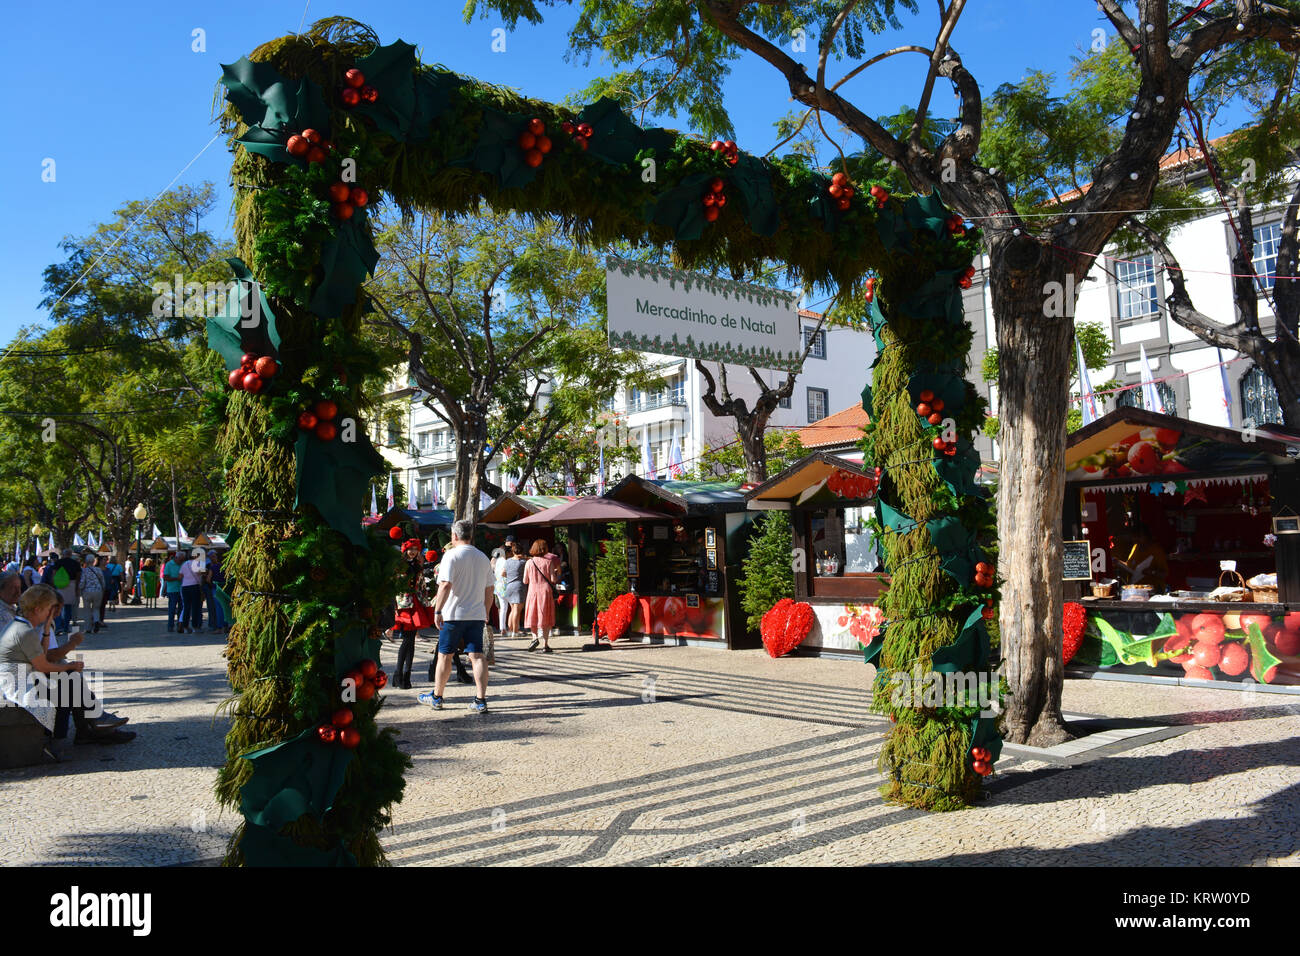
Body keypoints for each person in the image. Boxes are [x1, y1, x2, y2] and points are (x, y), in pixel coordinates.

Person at [0, 584, 134, 746]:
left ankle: (91, 724)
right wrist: (69, 666)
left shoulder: (23, 626)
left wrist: (47, 629)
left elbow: (41, 655)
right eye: (49, 608)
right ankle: (71, 733)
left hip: (21, 678)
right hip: (17, 686)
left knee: (69, 680)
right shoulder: (25, 631)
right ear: (37, 609)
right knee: (69, 683)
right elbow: (43, 665)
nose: (53, 612)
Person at [419, 519, 495, 713]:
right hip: (476, 614)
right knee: (477, 656)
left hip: (453, 614)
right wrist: (486, 611)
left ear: (454, 535)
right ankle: (480, 699)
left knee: (445, 655)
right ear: (471, 535)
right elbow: (489, 590)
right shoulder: (483, 557)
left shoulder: (451, 556)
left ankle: (437, 696)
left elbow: (445, 585)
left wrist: (438, 610)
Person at [391, 539, 434, 689]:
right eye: (410, 549)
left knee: (411, 641)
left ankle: (405, 676)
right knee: (407, 640)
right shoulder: (398, 565)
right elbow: (394, 585)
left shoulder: (417, 565)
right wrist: (394, 606)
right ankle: (399, 675)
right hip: (403, 604)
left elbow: (421, 584)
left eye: (416, 549)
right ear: (405, 550)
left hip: (416, 602)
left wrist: (426, 601)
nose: (413, 552)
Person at [524, 539, 559, 653]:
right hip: (545, 592)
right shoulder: (548, 562)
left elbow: (525, 580)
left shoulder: (529, 562)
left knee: (533, 615)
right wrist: (555, 573)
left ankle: (534, 638)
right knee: (546, 617)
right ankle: (545, 645)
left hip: (532, 591)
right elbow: (553, 579)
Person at [1117, 522, 1169, 592]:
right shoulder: (1135, 547)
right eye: (1134, 537)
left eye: (1139, 537)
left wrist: (1152, 572)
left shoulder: (1156, 551)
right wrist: (1118, 562)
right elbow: (1129, 566)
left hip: (1153, 590)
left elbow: (1164, 574)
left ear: (1147, 536)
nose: (1136, 539)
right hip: (1135, 589)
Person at [78, 554, 106, 634]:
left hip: (87, 591)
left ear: (86, 561)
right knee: (96, 608)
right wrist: (103, 589)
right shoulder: (98, 570)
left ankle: (88, 628)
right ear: (94, 561)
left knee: (87, 610)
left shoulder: (84, 570)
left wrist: (79, 589)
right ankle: (96, 620)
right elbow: (102, 581)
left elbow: (82, 582)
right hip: (98, 591)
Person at [179, 550, 205, 633]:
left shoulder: (184, 564)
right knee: (195, 607)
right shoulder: (197, 563)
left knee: (186, 607)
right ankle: (195, 626)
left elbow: (180, 576)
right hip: (194, 586)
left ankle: (185, 627)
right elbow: (201, 572)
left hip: (185, 587)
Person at [503, 543, 526, 638]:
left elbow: (503, 573)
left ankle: (511, 629)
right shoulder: (523, 562)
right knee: (517, 610)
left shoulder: (507, 561)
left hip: (509, 586)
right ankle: (515, 631)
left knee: (512, 609)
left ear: (513, 551)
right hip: (519, 586)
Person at [162, 551, 184, 632]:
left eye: (182, 560)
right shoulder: (169, 564)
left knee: (181, 609)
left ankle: (180, 625)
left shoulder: (183, 564)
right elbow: (165, 577)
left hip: (182, 590)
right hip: (172, 590)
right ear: (176, 558)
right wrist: (176, 578)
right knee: (172, 609)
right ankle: (170, 626)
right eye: (180, 560)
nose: (181, 561)